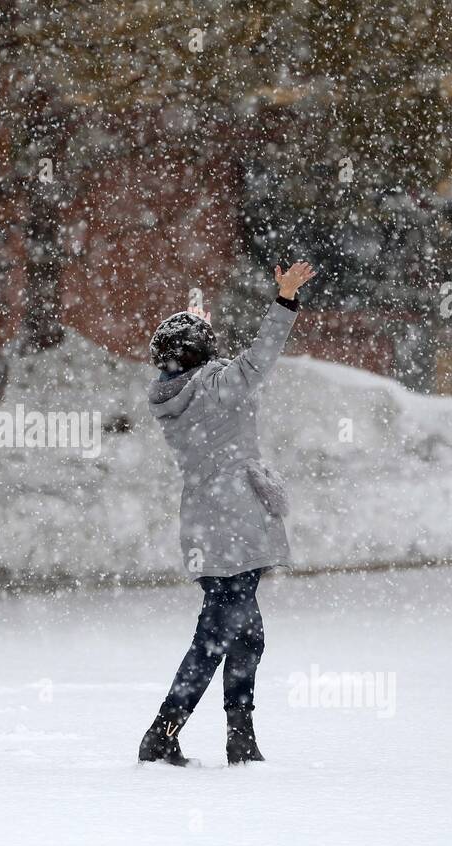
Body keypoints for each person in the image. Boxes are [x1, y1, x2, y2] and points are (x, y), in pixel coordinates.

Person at [139, 262, 316, 765]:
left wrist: (196, 334)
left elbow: (205, 366)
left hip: (203, 526)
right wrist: (284, 299)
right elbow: (260, 359)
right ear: (202, 355)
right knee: (214, 638)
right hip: (236, 526)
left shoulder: (172, 399)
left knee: (247, 635)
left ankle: (240, 738)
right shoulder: (218, 389)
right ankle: (163, 732)